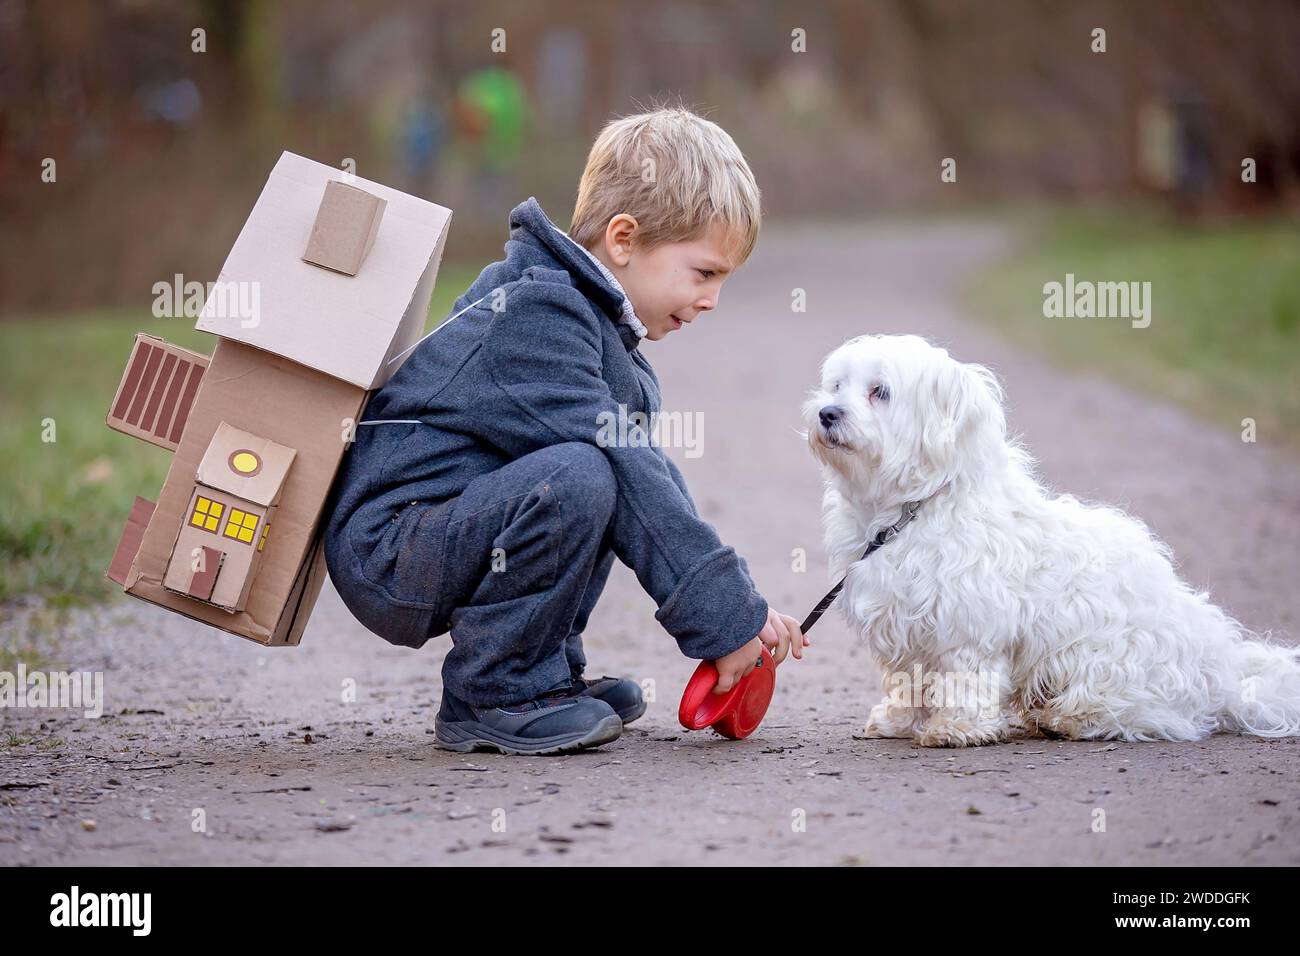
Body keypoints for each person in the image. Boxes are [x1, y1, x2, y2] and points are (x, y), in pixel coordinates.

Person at [324, 105, 806, 755]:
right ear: (625, 239)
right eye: (704, 273)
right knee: (587, 471)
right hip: (392, 541)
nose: (712, 299)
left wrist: (738, 608)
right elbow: (627, 471)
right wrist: (727, 621)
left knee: (600, 469)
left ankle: (544, 669)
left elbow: (646, 479)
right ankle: (495, 687)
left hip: (443, 524)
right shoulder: (539, 309)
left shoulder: (592, 322)